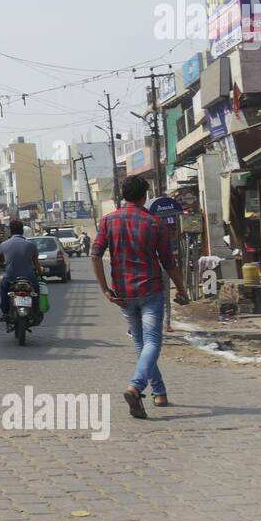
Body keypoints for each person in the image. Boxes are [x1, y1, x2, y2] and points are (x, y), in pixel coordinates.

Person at [91, 175, 190, 418]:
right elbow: (169, 263)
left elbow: (94, 254)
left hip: (123, 292)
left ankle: (159, 392)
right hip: (150, 291)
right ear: (144, 196)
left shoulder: (108, 221)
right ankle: (136, 386)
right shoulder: (154, 223)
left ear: (123, 195)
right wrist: (182, 289)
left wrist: (104, 288)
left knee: (141, 343)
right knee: (153, 341)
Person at [0, 219, 41, 322]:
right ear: (22, 231)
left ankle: (5, 313)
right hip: (29, 278)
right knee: (36, 290)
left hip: (10, 278)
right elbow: (36, 263)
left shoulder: (3, 245)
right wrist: (40, 272)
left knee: (4, 288)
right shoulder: (31, 245)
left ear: (11, 231)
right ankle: (36, 310)